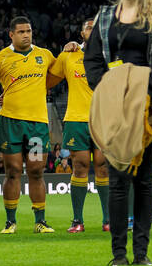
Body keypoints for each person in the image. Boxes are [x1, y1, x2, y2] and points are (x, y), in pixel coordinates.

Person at [83, 0, 152, 266]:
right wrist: (109, 92)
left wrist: (139, 97)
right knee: (118, 178)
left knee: (144, 180)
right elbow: (92, 60)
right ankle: (118, 254)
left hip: (148, 109)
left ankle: (142, 253)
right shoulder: (105, 17)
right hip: (114, 108)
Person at [0, 17, 57, 234]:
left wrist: (72, 47)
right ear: (11, 35)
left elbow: (59, 73)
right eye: (21, 31)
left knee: (36, 171)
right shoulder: (1, 58)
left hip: (36, 125)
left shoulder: (44, 55)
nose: (26, 35)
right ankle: (10, 221)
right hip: (11, 123)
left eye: (29, 31)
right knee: (13, 171)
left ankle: (40, 221)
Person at [47, 18, 111, 233]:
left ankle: (108, 220)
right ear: (81, 33)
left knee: (103, 167)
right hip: (76, 119)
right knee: (80, 166)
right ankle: (77, 220)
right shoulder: (69, 56)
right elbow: (48, 79)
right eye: (88, 27)